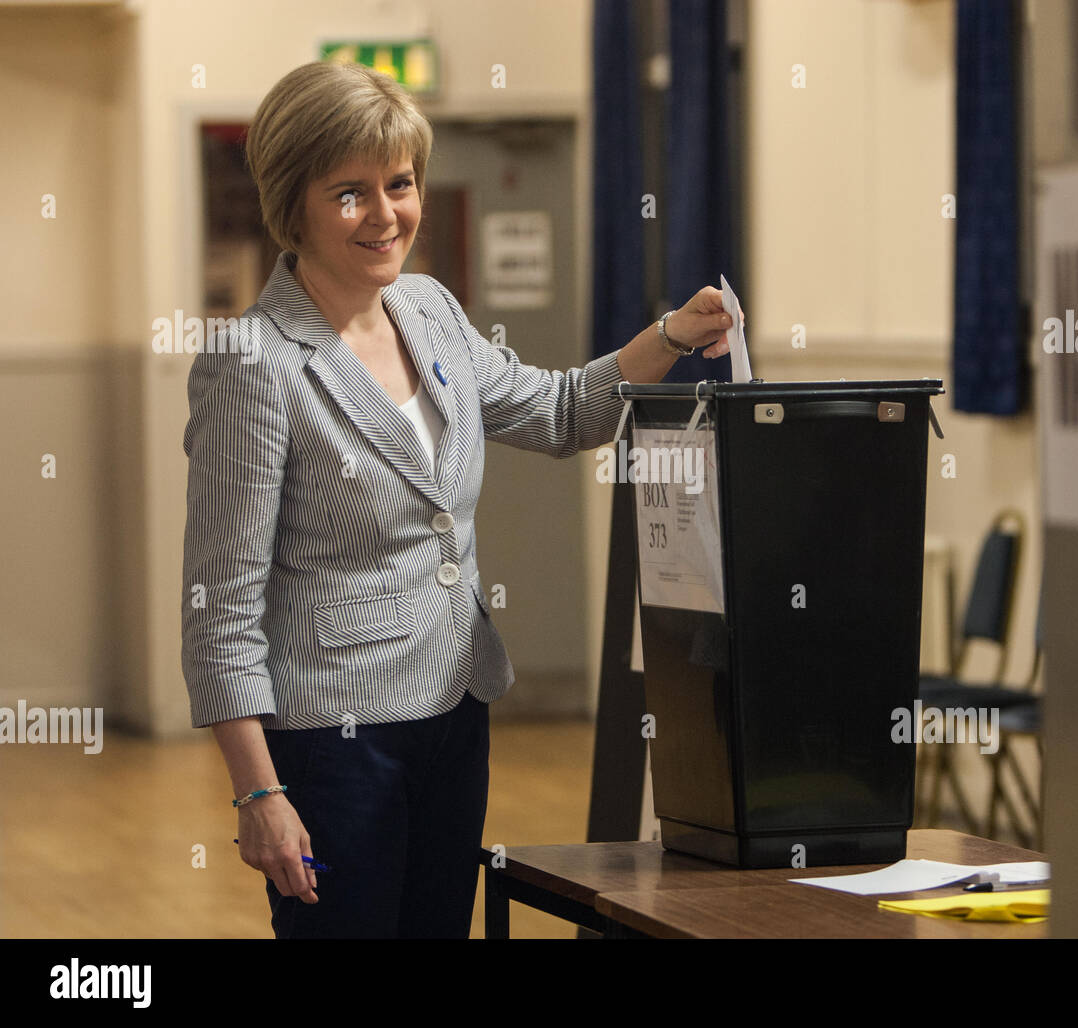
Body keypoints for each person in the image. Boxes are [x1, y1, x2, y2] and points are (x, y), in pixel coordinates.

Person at [180, 59, 738, 938]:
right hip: (333, 737)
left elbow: (559, 411)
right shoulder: (254, 361)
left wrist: (670, 336)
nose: (386, 213)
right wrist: (258, 792)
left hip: (455, 704)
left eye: (398, 184)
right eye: (349, 192)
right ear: (293, 202)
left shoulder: (429, 310)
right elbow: (220, 608)